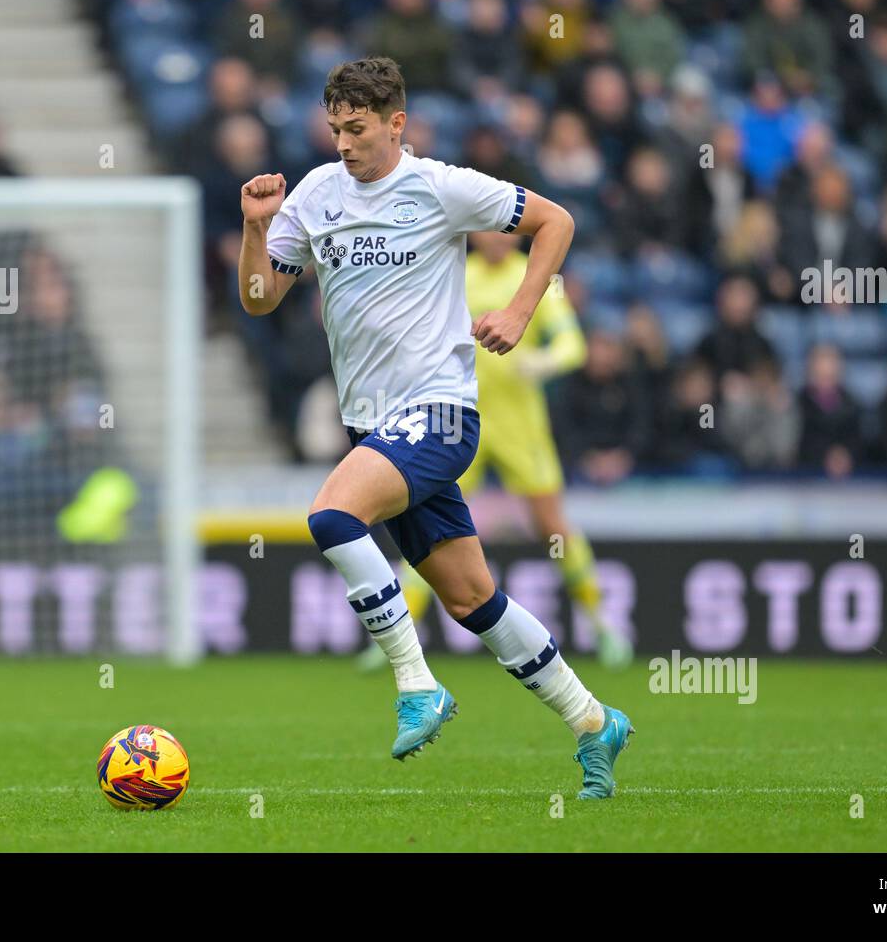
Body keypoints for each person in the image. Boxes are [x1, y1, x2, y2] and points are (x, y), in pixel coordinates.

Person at [237, 57, 633, 798]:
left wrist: (519, 311)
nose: (344, 144)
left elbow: (557, 221)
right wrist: (255, 231)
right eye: (334, 130)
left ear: (396, 124)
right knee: (472, 598)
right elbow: (260, 298)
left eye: (357, 129)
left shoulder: (440, 187)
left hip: (440, 412)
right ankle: (592, 721)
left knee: (330, 515)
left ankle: (415, 681)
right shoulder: (318, 193)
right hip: (374, 428)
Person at [355, 228, 634, 674]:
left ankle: (603, 625)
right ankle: (395, 639)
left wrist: (542, 362)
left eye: (504, 230)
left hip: (519, 425)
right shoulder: (456, 273)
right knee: (428, 526)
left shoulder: (532, 276)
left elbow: (572, 345)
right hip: (456, 420)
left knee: (551, 527)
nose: (496, 238)